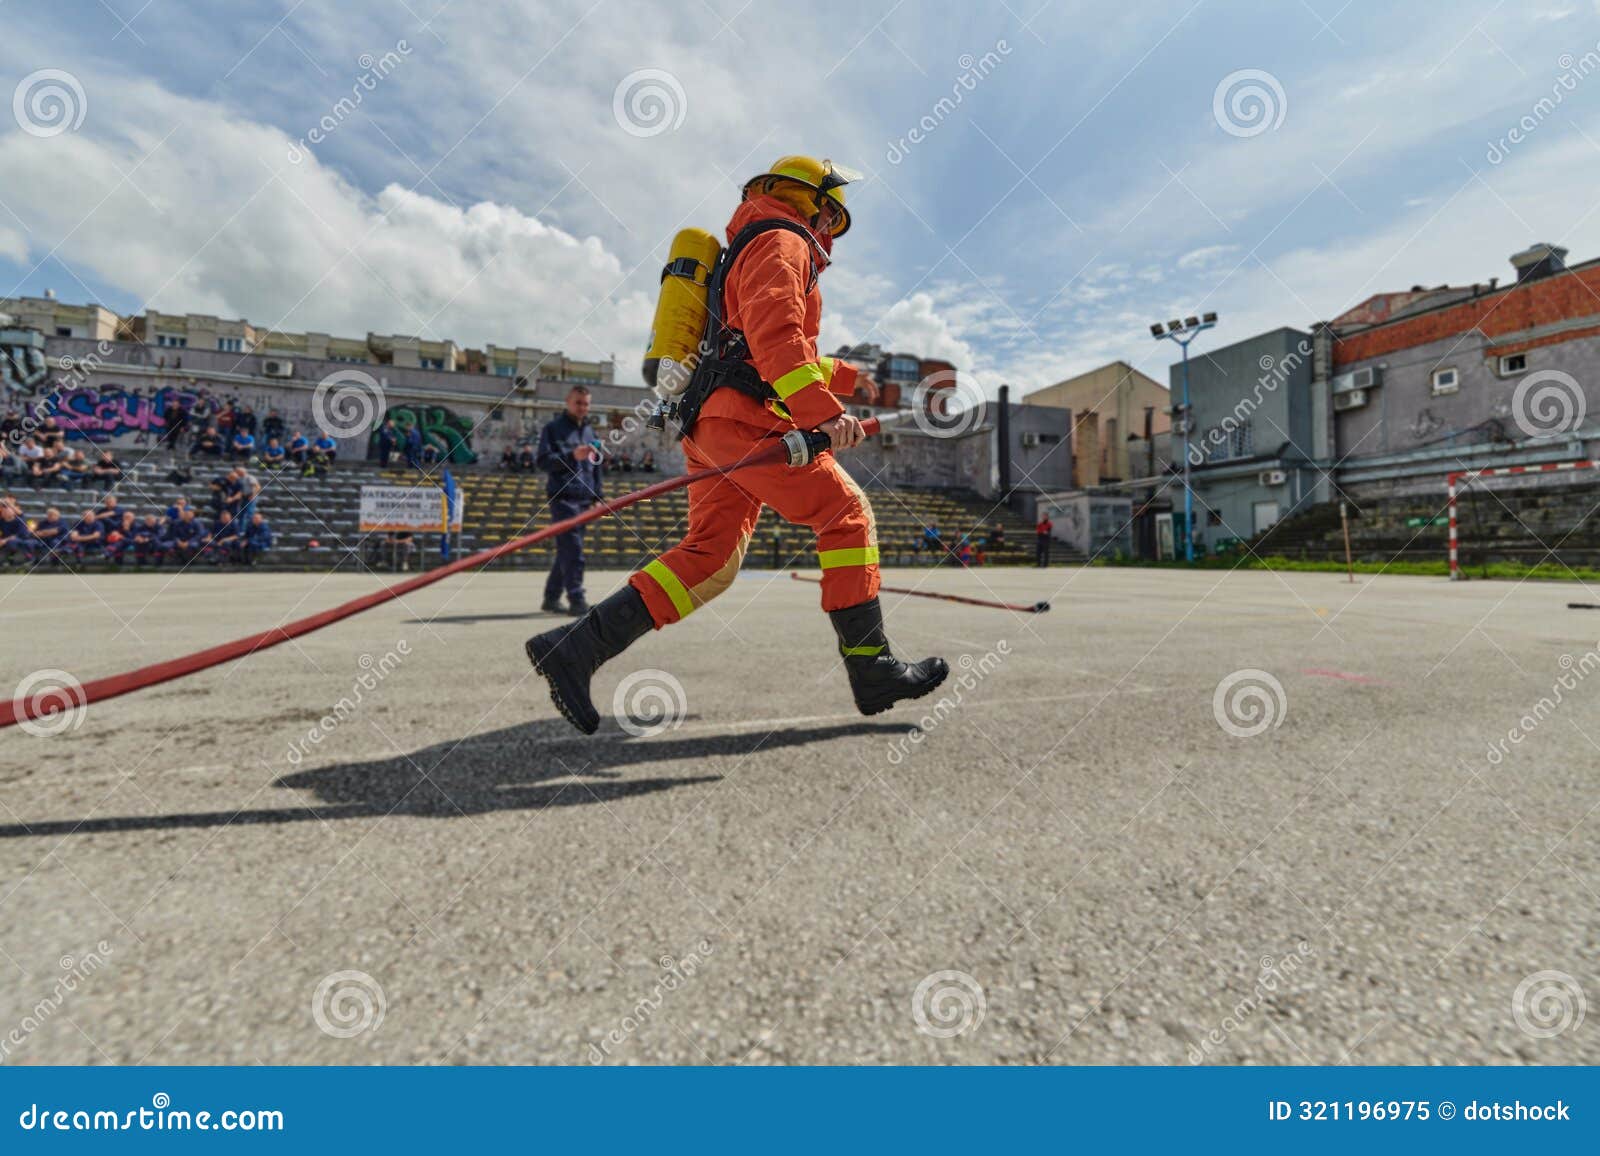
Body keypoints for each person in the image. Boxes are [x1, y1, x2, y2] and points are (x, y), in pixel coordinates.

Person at [526, 155, 946, 734]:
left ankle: (575, 648)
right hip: (748, 423)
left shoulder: (751, 243)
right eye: (832, 219)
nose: (831, 236)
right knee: (846, 515)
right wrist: (826, 416)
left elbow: (758, 344)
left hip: (712, 427)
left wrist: (849, 379)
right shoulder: (784, 239)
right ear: (812, 202)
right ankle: (872, 670)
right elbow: (778, 339)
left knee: (710, 560)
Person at [535, 385, 602, 614]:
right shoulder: (552, 429)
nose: (582, 407)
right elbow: (543, 461)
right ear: (567, 402)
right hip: (563, 498)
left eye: (586, 403)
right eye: (578, 403)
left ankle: (551, 598)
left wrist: (597, 496)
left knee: (568, 550)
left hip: (585, 499)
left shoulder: (591, 432)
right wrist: (571, 456)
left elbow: (596, 466)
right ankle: (576, 598)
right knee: (573, 550)